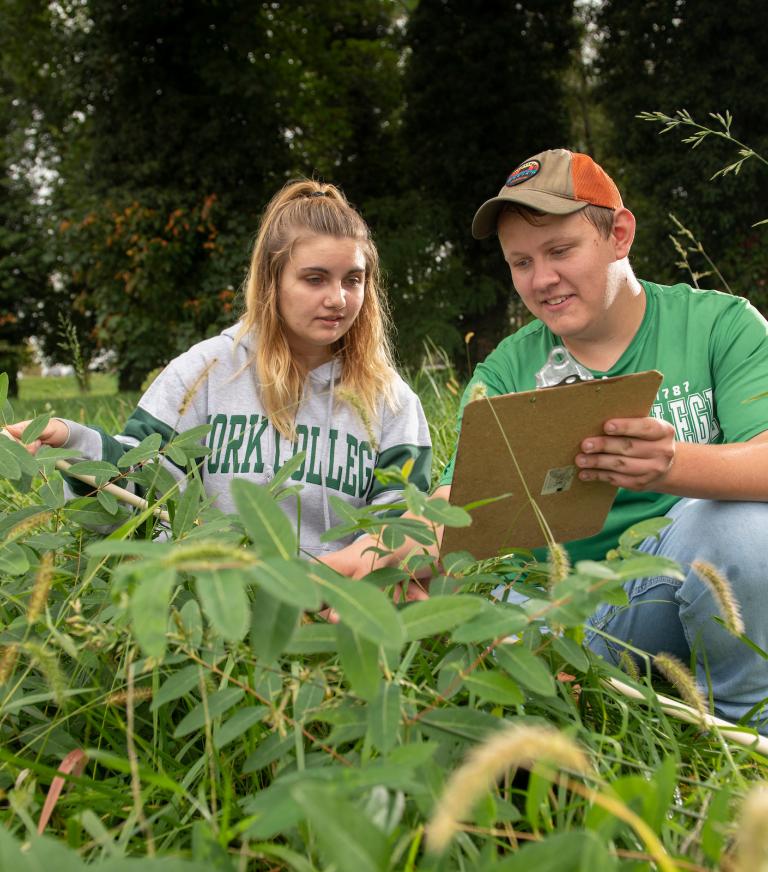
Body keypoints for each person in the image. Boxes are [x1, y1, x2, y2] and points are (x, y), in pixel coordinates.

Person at [326, 148, 768, 731]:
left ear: (620, 234)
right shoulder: (506, 371)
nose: (542, 280)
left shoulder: (721, 325)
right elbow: (461, 506)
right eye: (521, 262)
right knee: (440, 589)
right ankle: (552, 690)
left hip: (688, 581)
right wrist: (366, 559)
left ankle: (742, 729)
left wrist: (669, 464)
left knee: (743, 528)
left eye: (560, 251)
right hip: (560, 616)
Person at [8, 180, 432, 560]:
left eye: (353, 280)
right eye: (315, 279)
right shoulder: (205, 371)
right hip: (214, 597)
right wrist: (72, 440)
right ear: (272, 281)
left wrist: (348, 579)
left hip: (335, 605)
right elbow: (140, 493)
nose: (338, 298)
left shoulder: (392, 400)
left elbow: (401, 526)